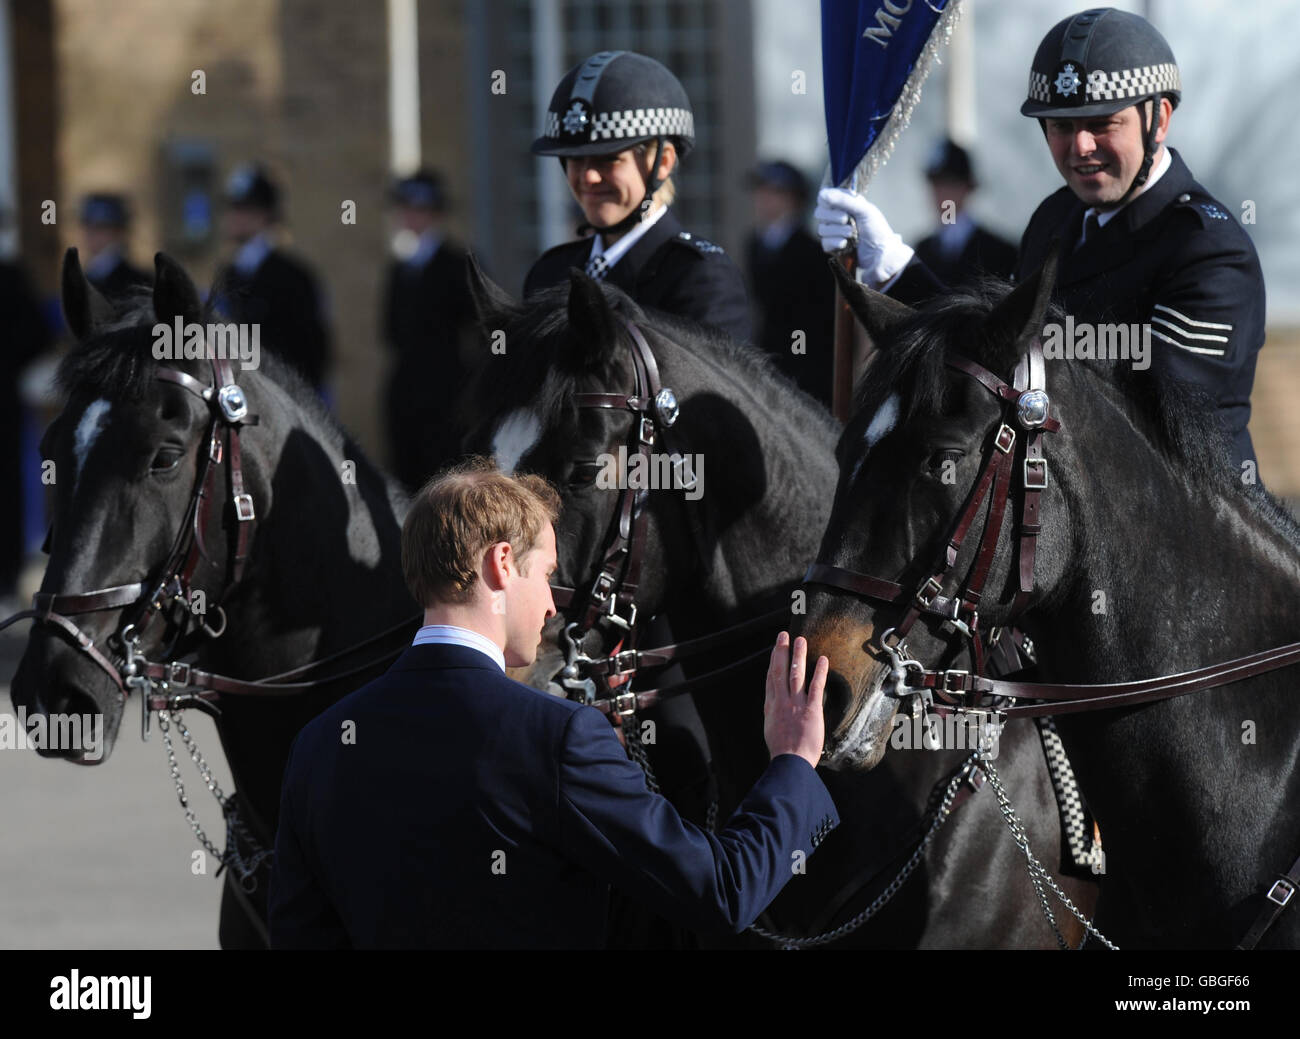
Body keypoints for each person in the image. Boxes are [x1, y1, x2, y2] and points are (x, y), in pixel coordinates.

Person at [268, 458, 837, 949]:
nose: (551, 606)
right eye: (545, 573)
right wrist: (792, 762)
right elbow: (721, 890)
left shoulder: (320, 743)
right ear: (500, 564)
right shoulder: (561, 738)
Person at [816, 7, 1266, 473]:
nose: (1081, 147)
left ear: (1159, 119)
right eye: (1061, 126)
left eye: (1103, 123)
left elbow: (1150, 422)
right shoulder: (1057, 216)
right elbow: (989, 350)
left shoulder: (1208, 250)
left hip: (1187, 529)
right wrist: (893, 268)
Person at [523, 49, 751, 345]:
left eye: (608, 159)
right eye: (575, 160)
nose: (588, 177)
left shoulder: (698, 278)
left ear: (663, 162)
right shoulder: (549, 275)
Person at [381, 169, 477, 491]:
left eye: (418, 209)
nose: (410, 216)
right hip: (408, 395)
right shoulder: (401, 267)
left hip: (447, 396)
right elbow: (391, 331)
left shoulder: (458, 263)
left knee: (446, 483)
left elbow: (480, 329)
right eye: (406, 208)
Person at [214, 163, 332, 391]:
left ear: (264, 215)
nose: (232, 217)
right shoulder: (230, 273)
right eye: (231, 208)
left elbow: (312, 355)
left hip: (281, 401)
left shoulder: (293, 277)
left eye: (242, 209)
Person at [745, 160, 836, 405]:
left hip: (805, 366)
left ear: (792, 199)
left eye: (773, 192)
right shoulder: (756, 244)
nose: (762, 199)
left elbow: (815, 320)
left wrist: (799, 359)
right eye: (760, 191)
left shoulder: (812, 252)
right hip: (770, 359)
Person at [913, 139, 1017, 290]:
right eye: (936, 183)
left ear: (967, 187)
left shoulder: (1000, 253)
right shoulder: (922, 251)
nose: (941, 192)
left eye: (949, 183)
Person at [77, 194, 151, 300]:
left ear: (119, 231)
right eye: (88, 226)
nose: (90, 235)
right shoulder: (86, 276)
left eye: (100, 228)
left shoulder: (138, 282)